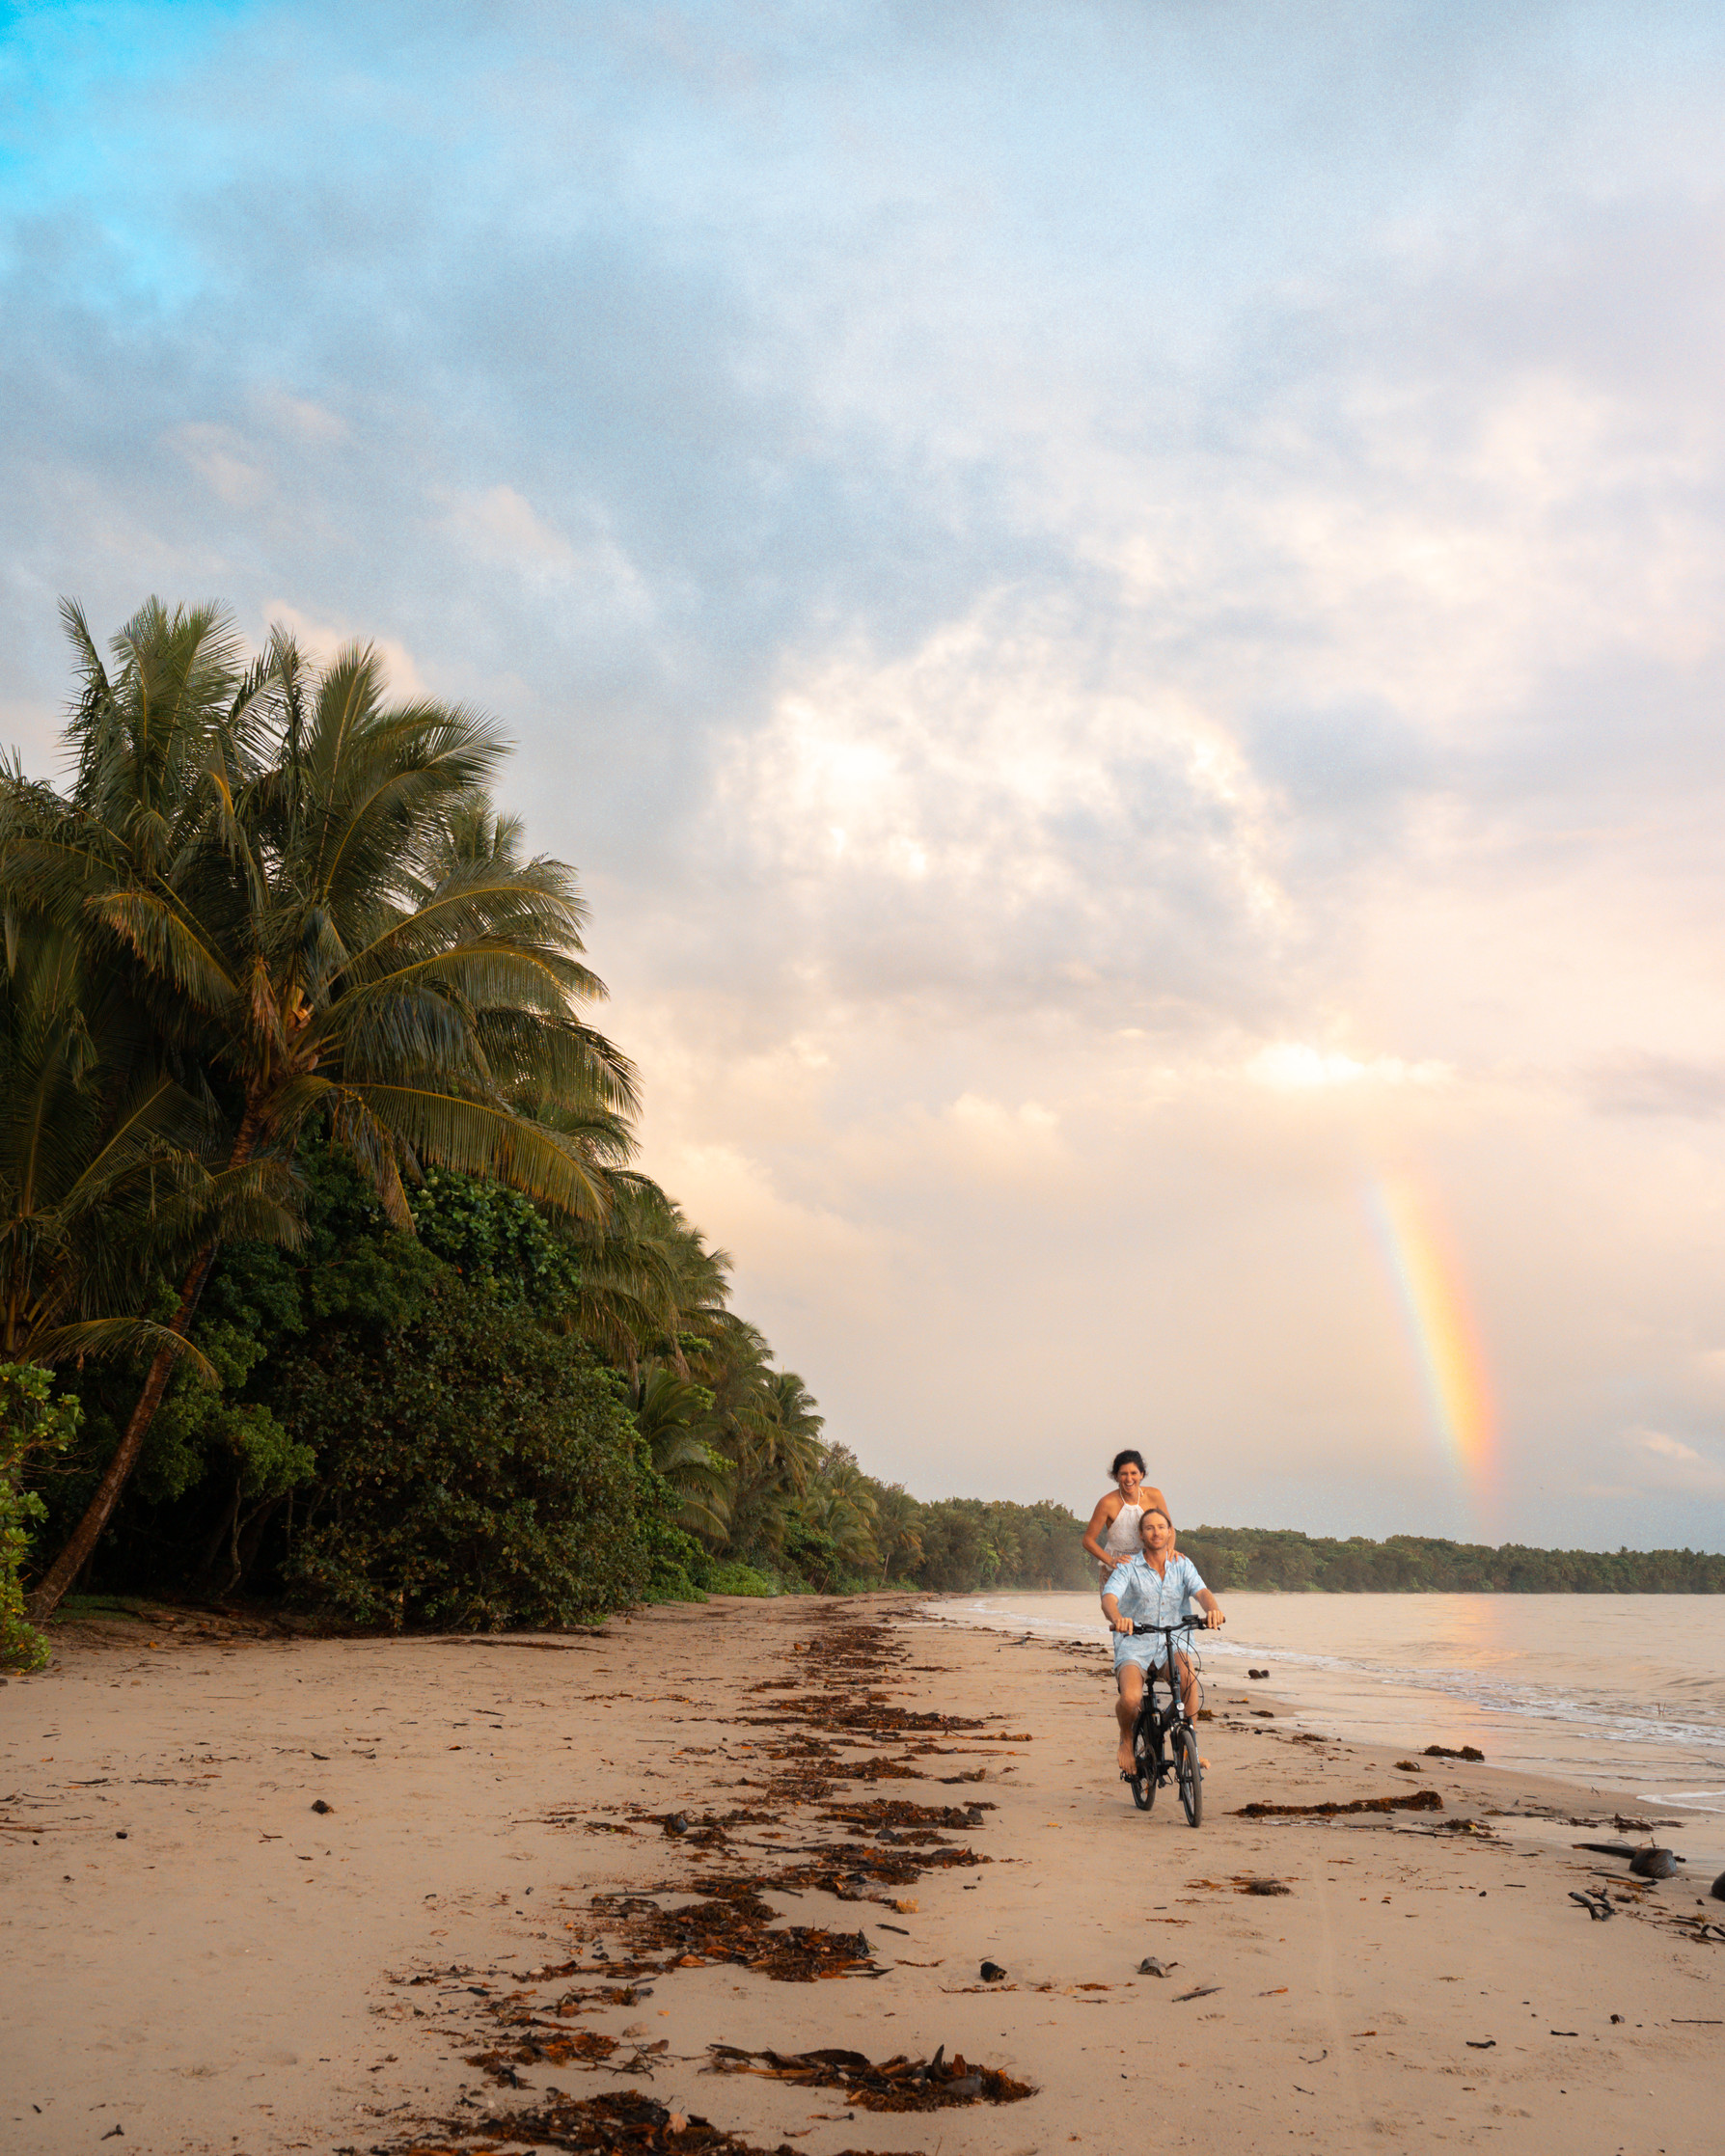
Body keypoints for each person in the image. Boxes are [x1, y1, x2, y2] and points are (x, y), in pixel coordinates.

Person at [1101, 1507, 1224, 1776]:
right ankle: (1125, 1739)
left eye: (1161, 1527)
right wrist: (1119, 1617)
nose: (1156, 1532)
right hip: (1135, 1643)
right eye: (1149, 1528)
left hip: (1173, 1641)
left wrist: (1211, 1610)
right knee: (1131, 1697)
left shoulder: (1182, 1564)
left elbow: (1202, 1592)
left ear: (1170, 1532)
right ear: (1141, 1535)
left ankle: (1188, 1747)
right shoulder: (1128, 1566)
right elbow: (1109, 1597)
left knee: (1189, 1680)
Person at [1082, 1449, 1171, 1589]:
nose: (1129, 1479)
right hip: (1116, 1572)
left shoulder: (1155, 1495)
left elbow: (1169, 1530)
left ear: (1142, 1474)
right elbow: (1088, 1541)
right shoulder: (1107, 1503)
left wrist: (1167, 1556)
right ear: (1116, 1476)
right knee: (1116, 1611)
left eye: (1133, 1473)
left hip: (1148, 1569)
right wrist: (1110, 1561)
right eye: (1123, 1474)